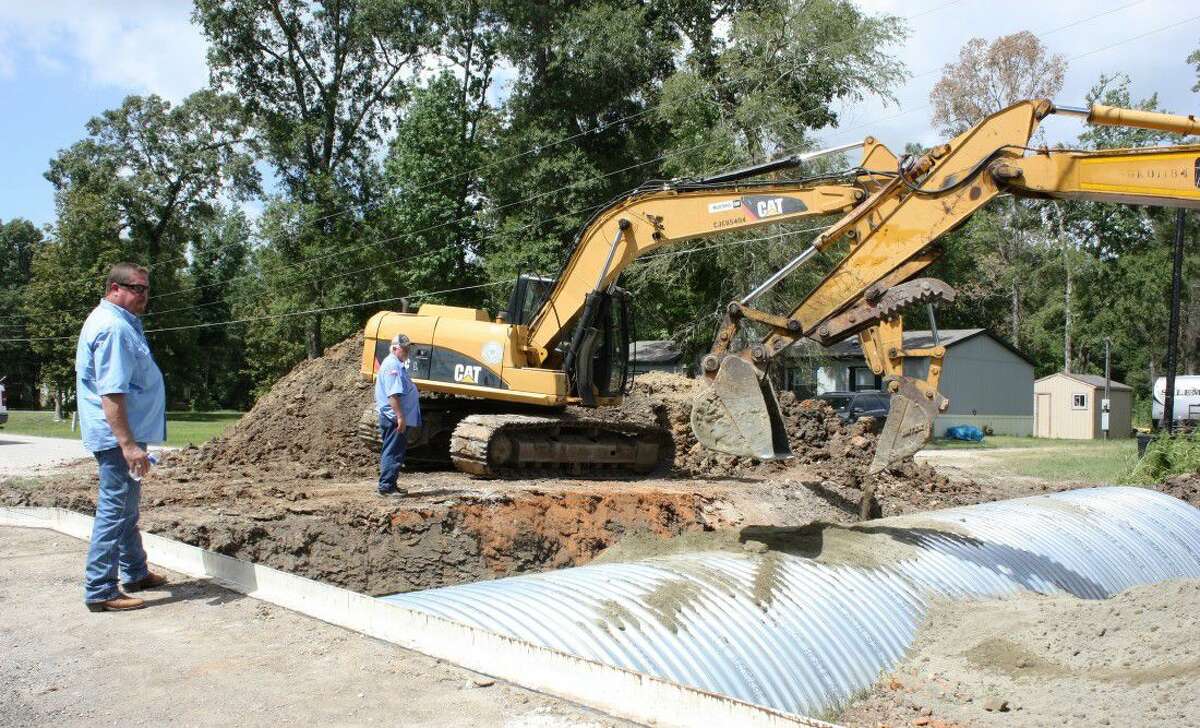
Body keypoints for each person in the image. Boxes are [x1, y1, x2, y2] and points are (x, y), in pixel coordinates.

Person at [75, 262, 168, 612]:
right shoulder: (113, 328)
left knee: (126, 509)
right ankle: (100, 589)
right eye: (137, 288)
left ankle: (135, 571)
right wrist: (128, 445)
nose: (144, 295)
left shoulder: (121, 323)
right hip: (119, 438)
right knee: (115, 511)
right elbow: (112, 393)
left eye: (146, 289)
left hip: (126, 434)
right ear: (115, 288)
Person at [375, 333, 421, 496]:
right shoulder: (392, 366)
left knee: (395, 450)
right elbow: (393, 395)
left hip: (395, 416)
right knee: (393, 451)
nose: (407, 351)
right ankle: (386, 487)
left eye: (408, 348)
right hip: (394, 418)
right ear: (395, 348)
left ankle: (390, 484)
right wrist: (400, 417)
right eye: (405, 349)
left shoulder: (396, 364)